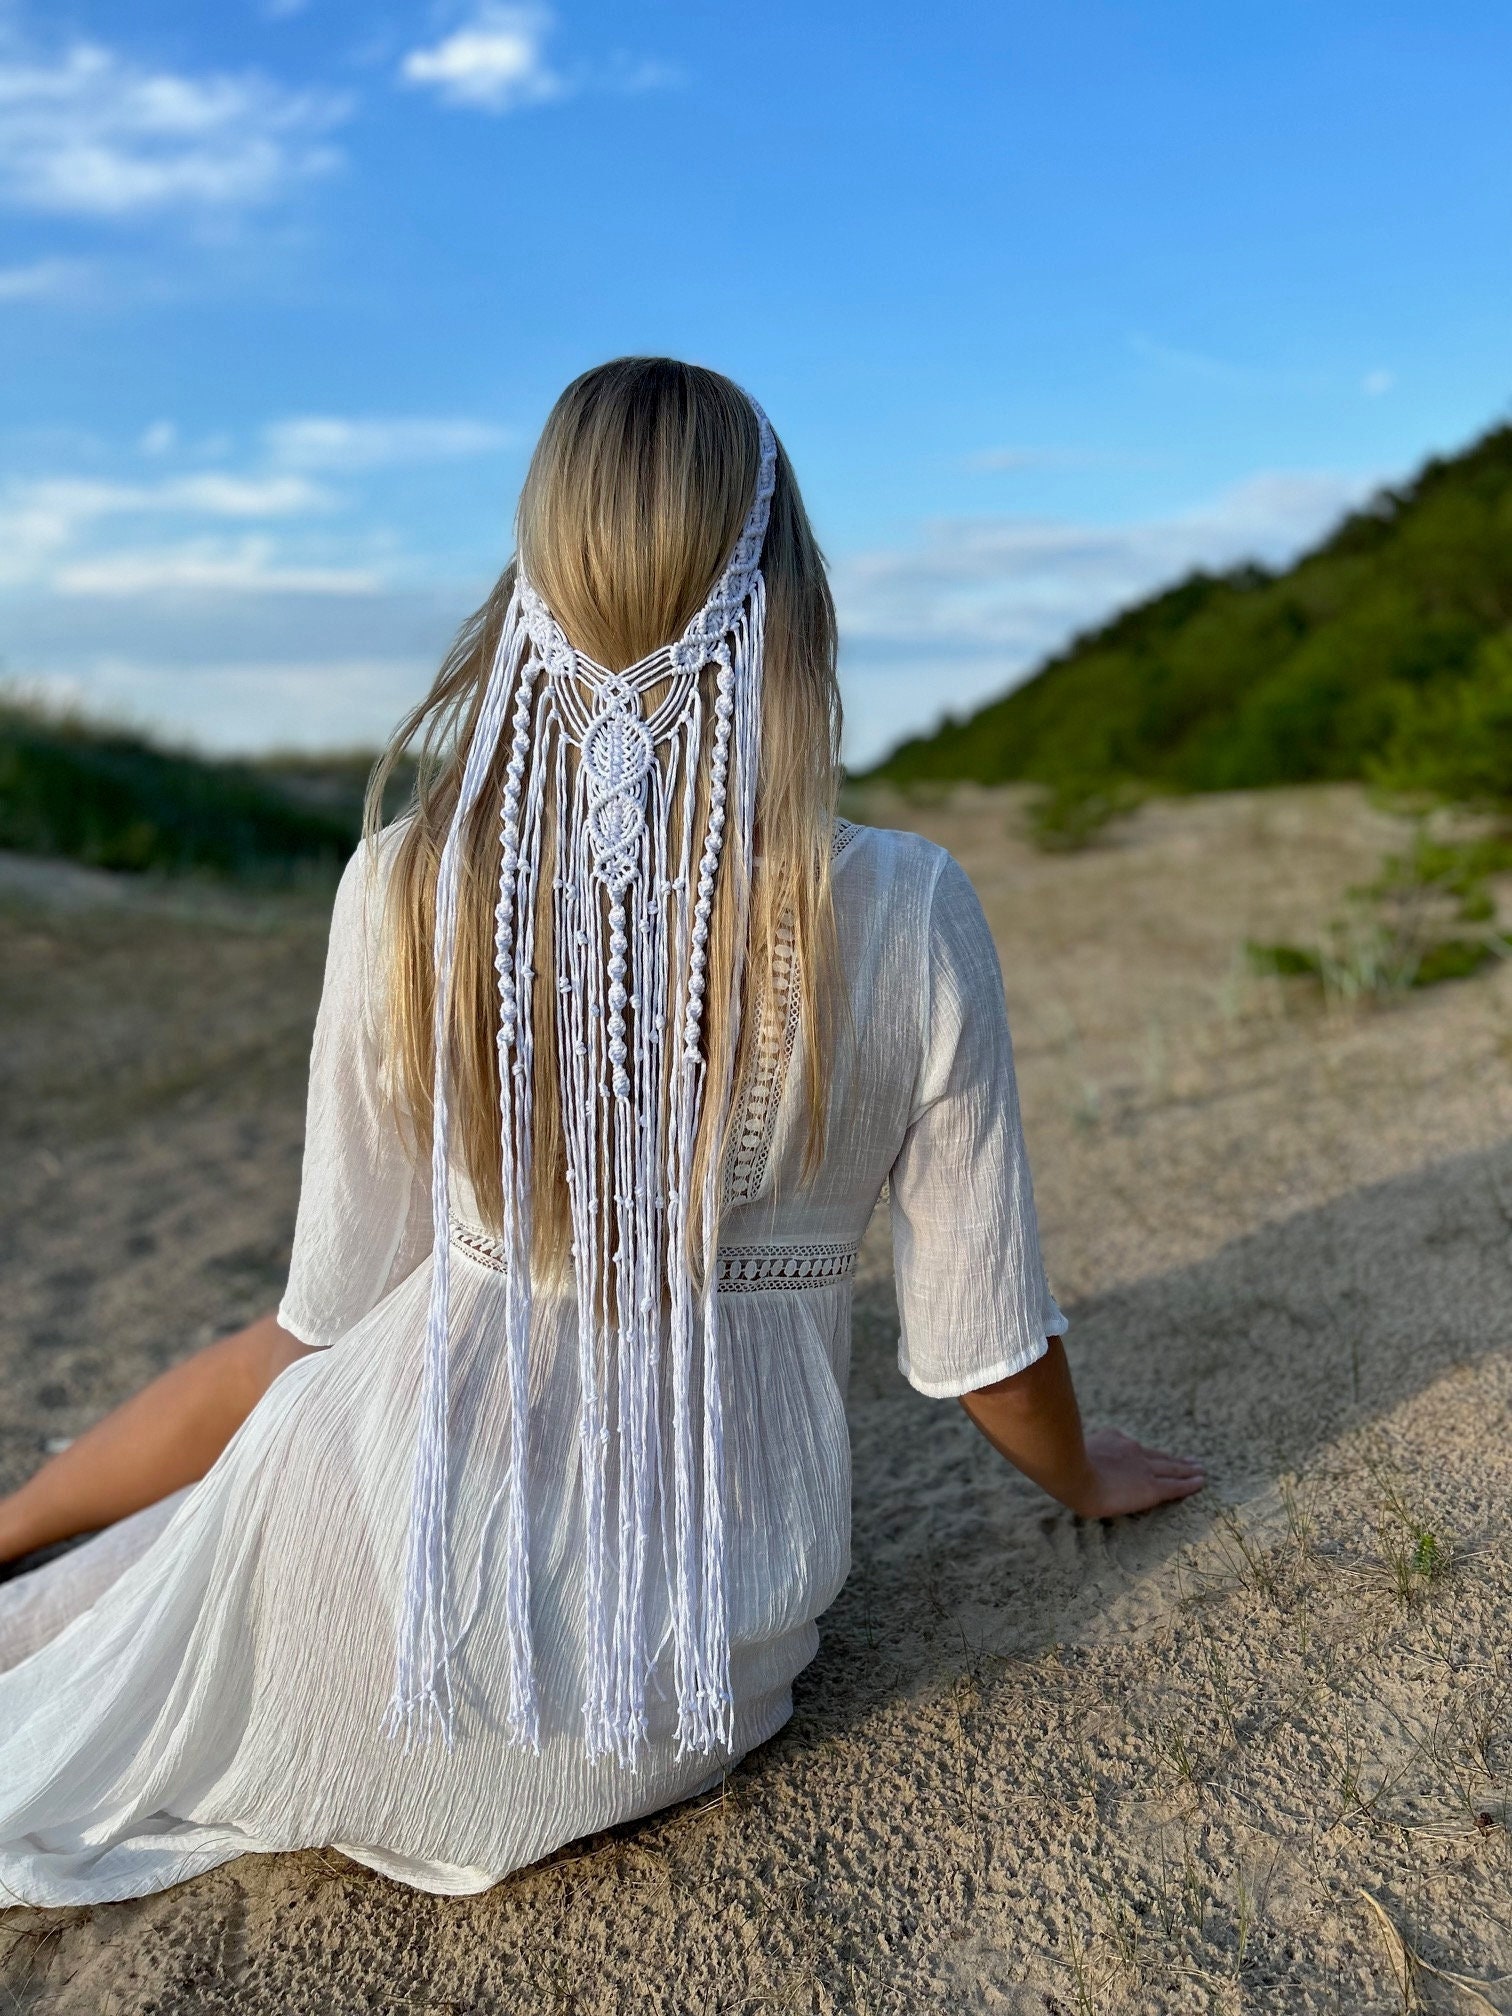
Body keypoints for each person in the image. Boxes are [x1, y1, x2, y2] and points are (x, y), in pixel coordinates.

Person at [0, 359, 1203, 1906]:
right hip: (698, 1680)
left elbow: (312, 1333)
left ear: (531, 594)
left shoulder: (411, 891)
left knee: (102, 1625)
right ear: (790, 601)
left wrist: (23, 1517)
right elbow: (981, 1349)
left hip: (375, 1577)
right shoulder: (903, 908)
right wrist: (1082, 1475)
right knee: (124, 1591)